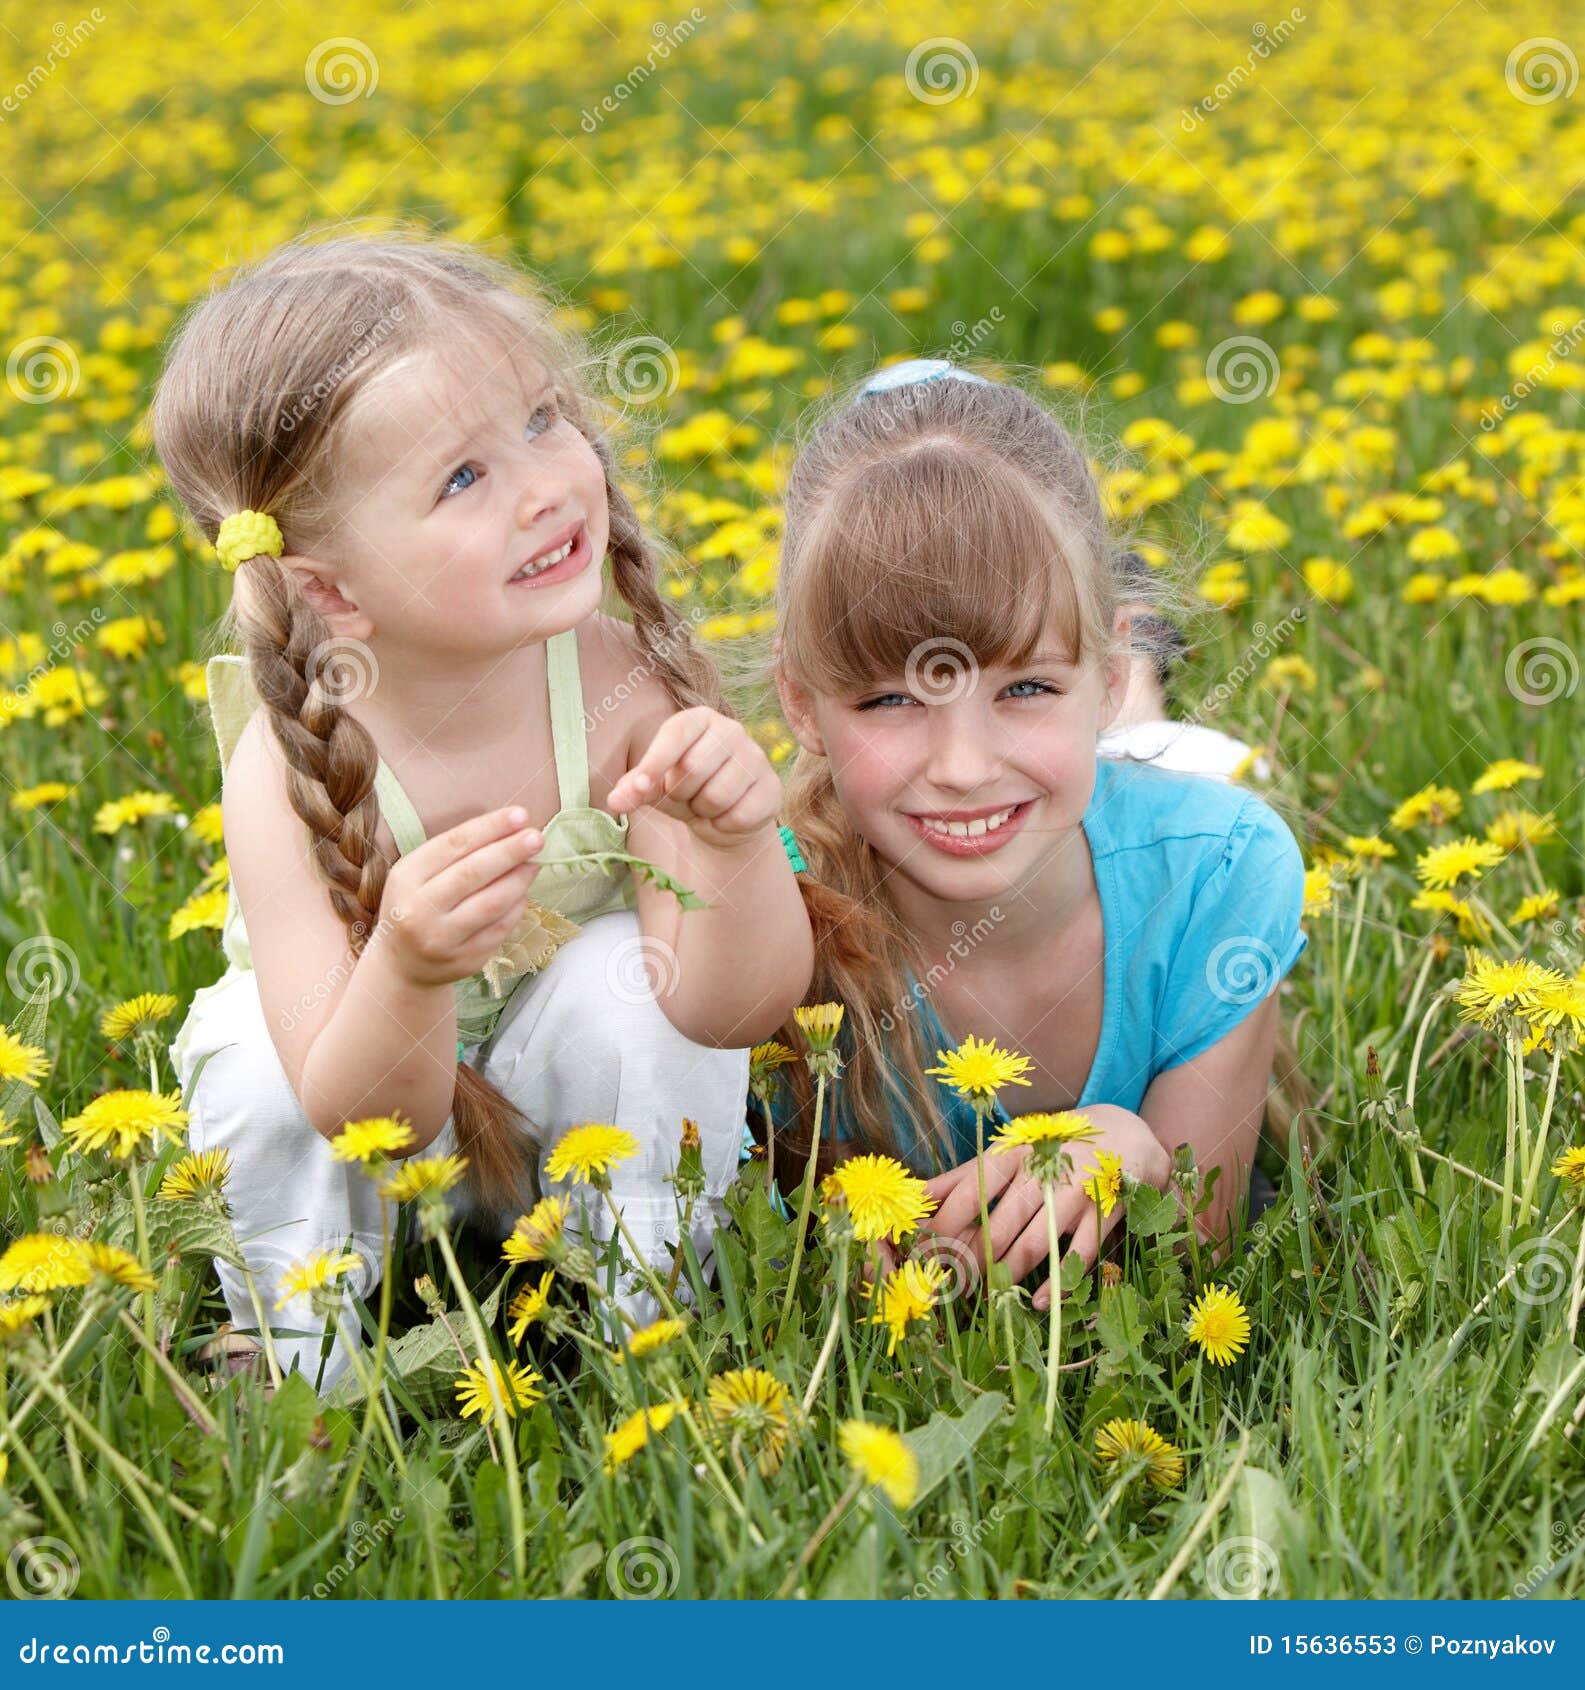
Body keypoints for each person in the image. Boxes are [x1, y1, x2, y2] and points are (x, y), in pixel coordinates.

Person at [158, 230, 812, 1392]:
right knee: (257, 1065)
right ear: (330, 591)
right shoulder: (288, 759)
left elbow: (728, 1012)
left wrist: (736, 847)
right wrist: (406, 968)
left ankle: (645, 1309)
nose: (547, 485)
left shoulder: (617, 684)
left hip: (559, 1109)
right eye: (464, 478)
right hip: (368, 1125)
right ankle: (298, 1353)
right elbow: (368, 1121)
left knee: (626, 983)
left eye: (543, 417)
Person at [764, 358, 1306, 1308]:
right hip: (1082, 759)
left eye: (1023, 685)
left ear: (1094, 672)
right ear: (802, 707)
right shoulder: (766, 913)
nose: (963, 764)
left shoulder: (1221, 871)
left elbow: (1198, 1263)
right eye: (890, 698)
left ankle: (1140, 695)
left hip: (1136, 788)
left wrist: (1138, 1156)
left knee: (1186, 761)